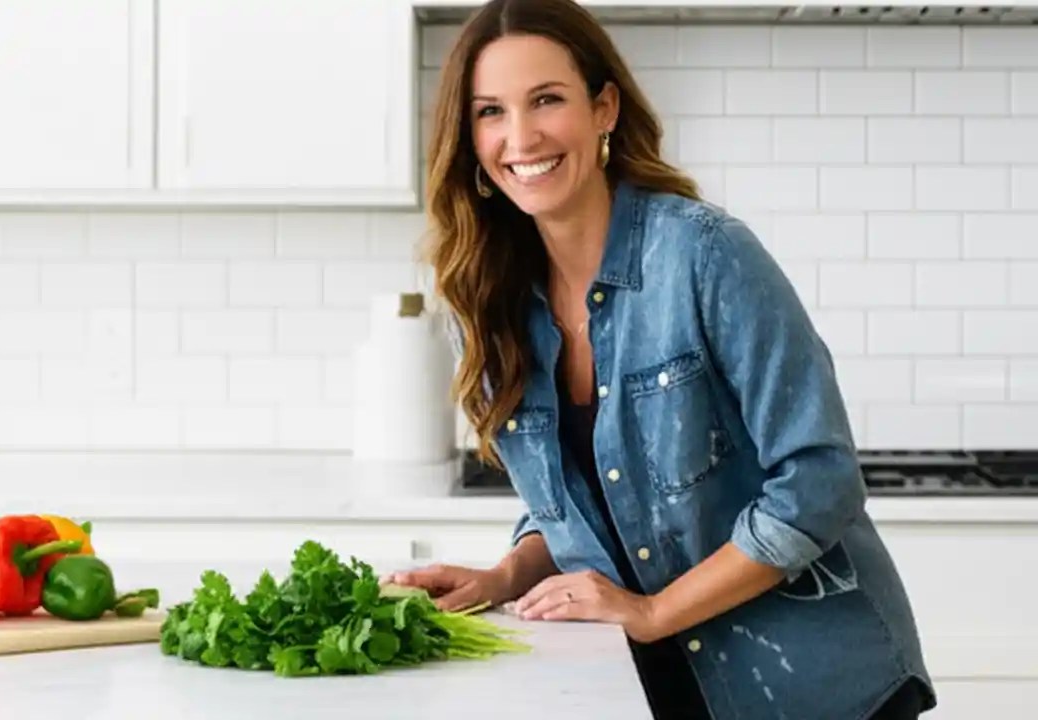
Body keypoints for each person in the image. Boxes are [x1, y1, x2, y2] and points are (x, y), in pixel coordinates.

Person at [385, 1, 937, 718]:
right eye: (490, 111)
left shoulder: (704, 255)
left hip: (809, 687)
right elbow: (583, 498)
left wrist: (653, 612)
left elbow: (819, 482)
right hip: (646, 684)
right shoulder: (487, 302)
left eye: (546, 99)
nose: (520, 136)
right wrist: (505, 575)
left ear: (604, 107)